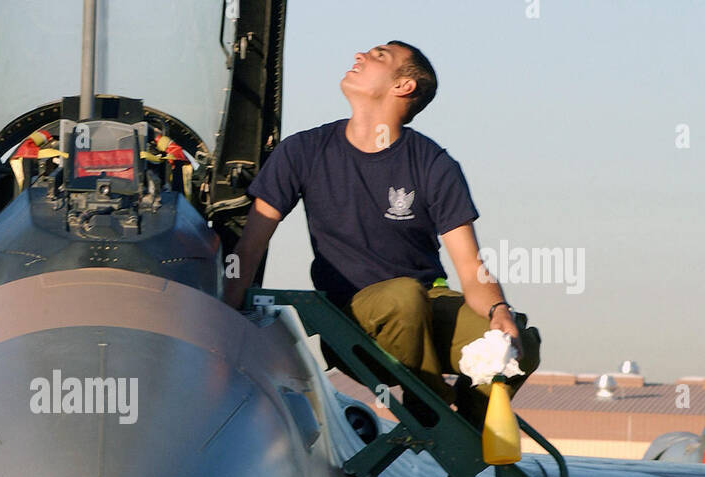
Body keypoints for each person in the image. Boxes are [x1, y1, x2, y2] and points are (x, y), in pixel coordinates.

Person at [224, 40, 540, 426]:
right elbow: (250, 247)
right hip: (353, 325)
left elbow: (471, 269)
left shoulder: (433, 163)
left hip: (423, 304)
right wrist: (220, 319)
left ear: (403, 86)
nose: (359, 55)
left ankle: (467, 426)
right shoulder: (303, 150)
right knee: (402, 296)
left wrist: (499, 312)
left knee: (522, 342)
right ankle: (430, 404)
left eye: (378, 56)